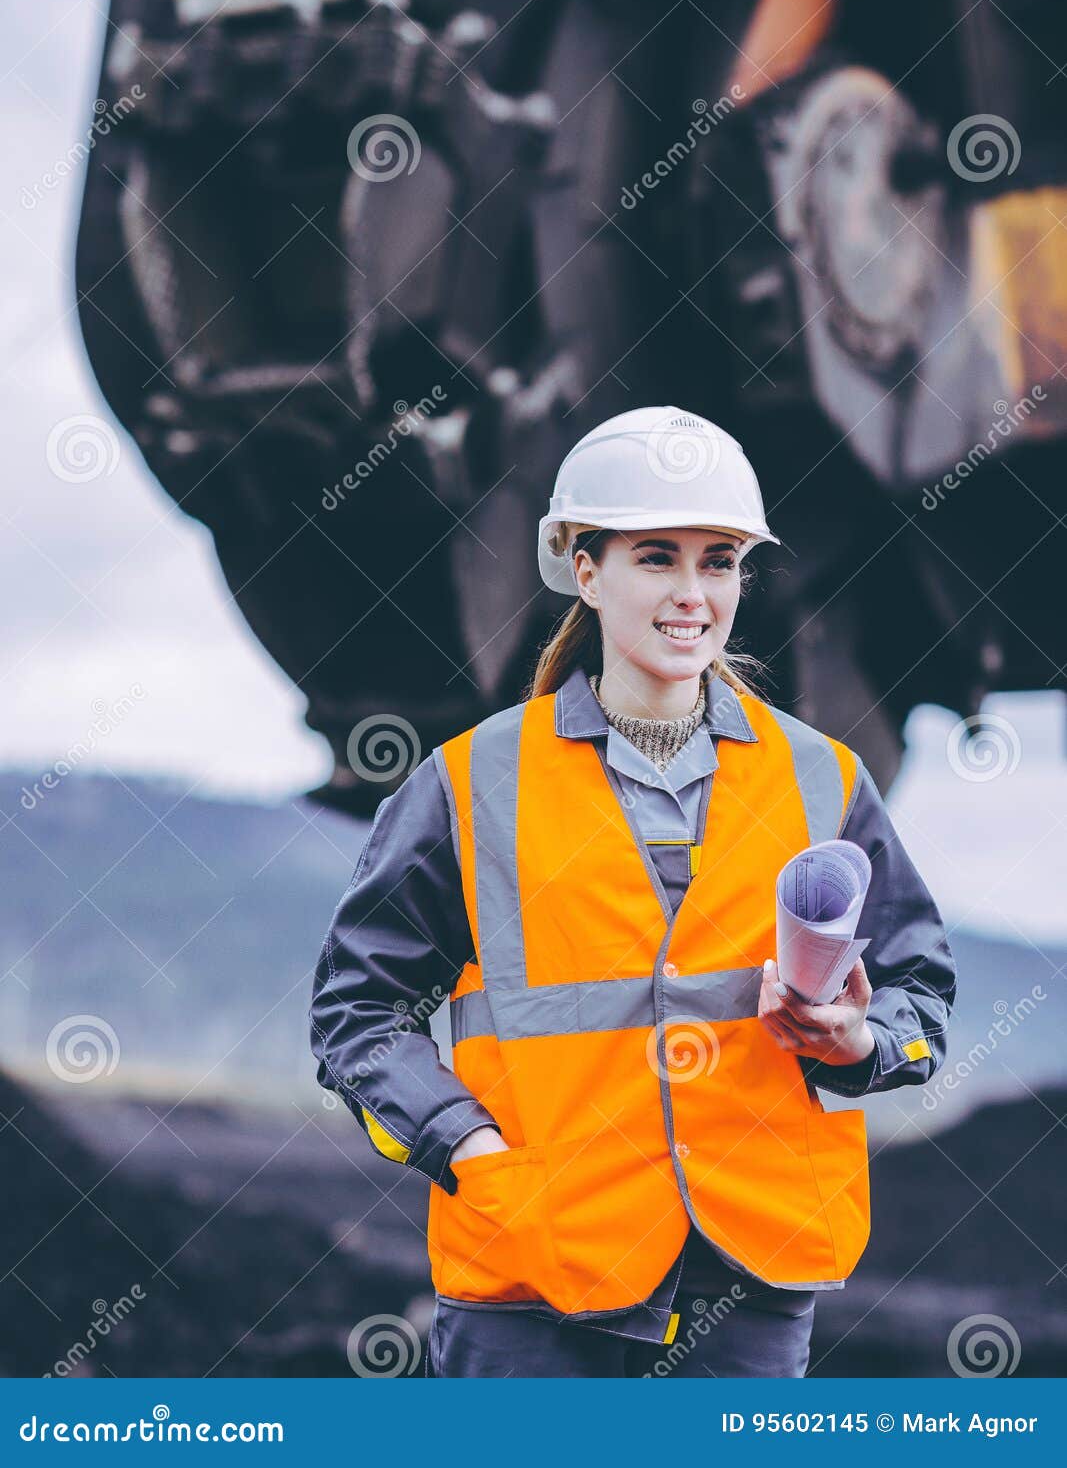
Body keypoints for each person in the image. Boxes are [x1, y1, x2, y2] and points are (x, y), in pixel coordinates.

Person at [309, 405, 956, 1378]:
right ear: (583, 567)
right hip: (531, 1282)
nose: (692, 593)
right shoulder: (469, 783)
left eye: (719, 560)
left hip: (746, 1284)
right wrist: (468, 1147)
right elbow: (357, 1014)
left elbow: (920, 992)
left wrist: (857, 1039)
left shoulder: (820, 777)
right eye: (656, 556)